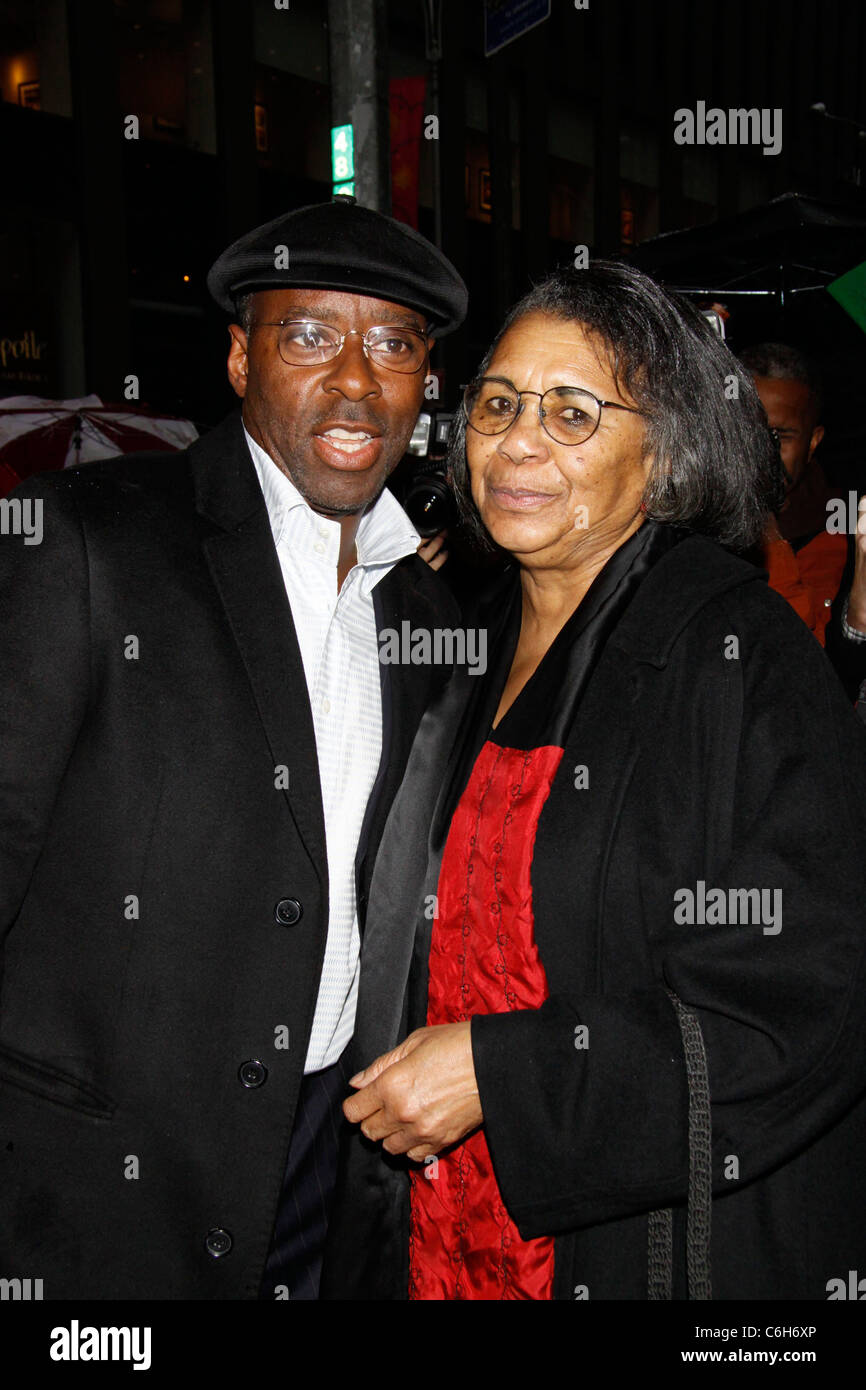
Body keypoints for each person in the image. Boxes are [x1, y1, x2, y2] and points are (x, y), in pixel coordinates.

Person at [321, 262, 866, 1301]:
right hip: (438, 1224)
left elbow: (807, 993)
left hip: (630, 1239)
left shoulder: (735, 655)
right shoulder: (457, 646)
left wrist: (505, 1073)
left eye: (572, 413)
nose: (518, 441)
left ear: (662, 453)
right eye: (496, 404)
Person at [0, 198, 466, 1299]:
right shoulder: (90, 536)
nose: (356, 380)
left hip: (319, 1162)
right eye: (310, 335)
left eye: (393, 345)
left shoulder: (429, 615)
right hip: (85, 1187)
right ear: (236, 357)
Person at [739, 342, 866, 702]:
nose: (763, 450)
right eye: (750, 430)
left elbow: (818, 673)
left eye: (781, 437)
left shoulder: (848, 528)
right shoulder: (698, 524)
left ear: (813, 442)